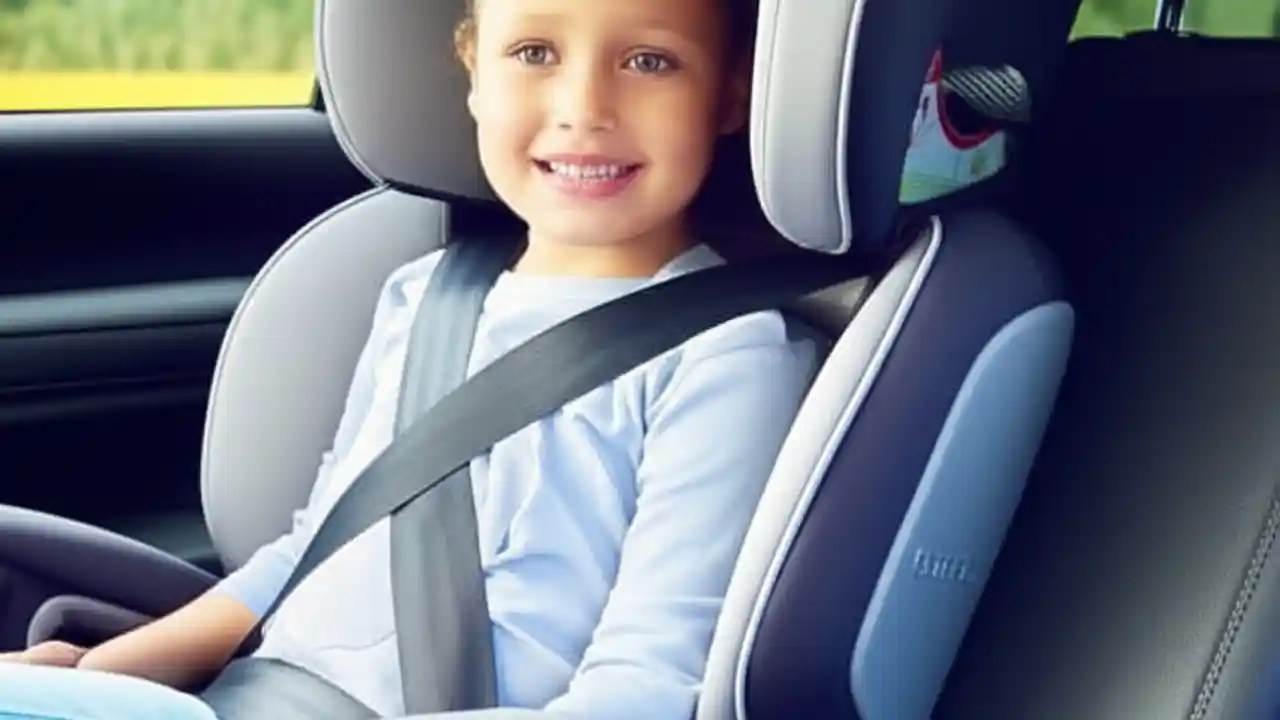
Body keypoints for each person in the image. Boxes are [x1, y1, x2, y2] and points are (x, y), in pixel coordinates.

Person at [0, 0, 820, 717]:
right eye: (534, 52)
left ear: (732, 93)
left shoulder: (727, 355)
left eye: (649, 60)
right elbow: (312, 551)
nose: (584, 107)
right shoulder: (424, 294)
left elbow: (640, 693)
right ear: (472, 69)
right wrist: (101, 671)